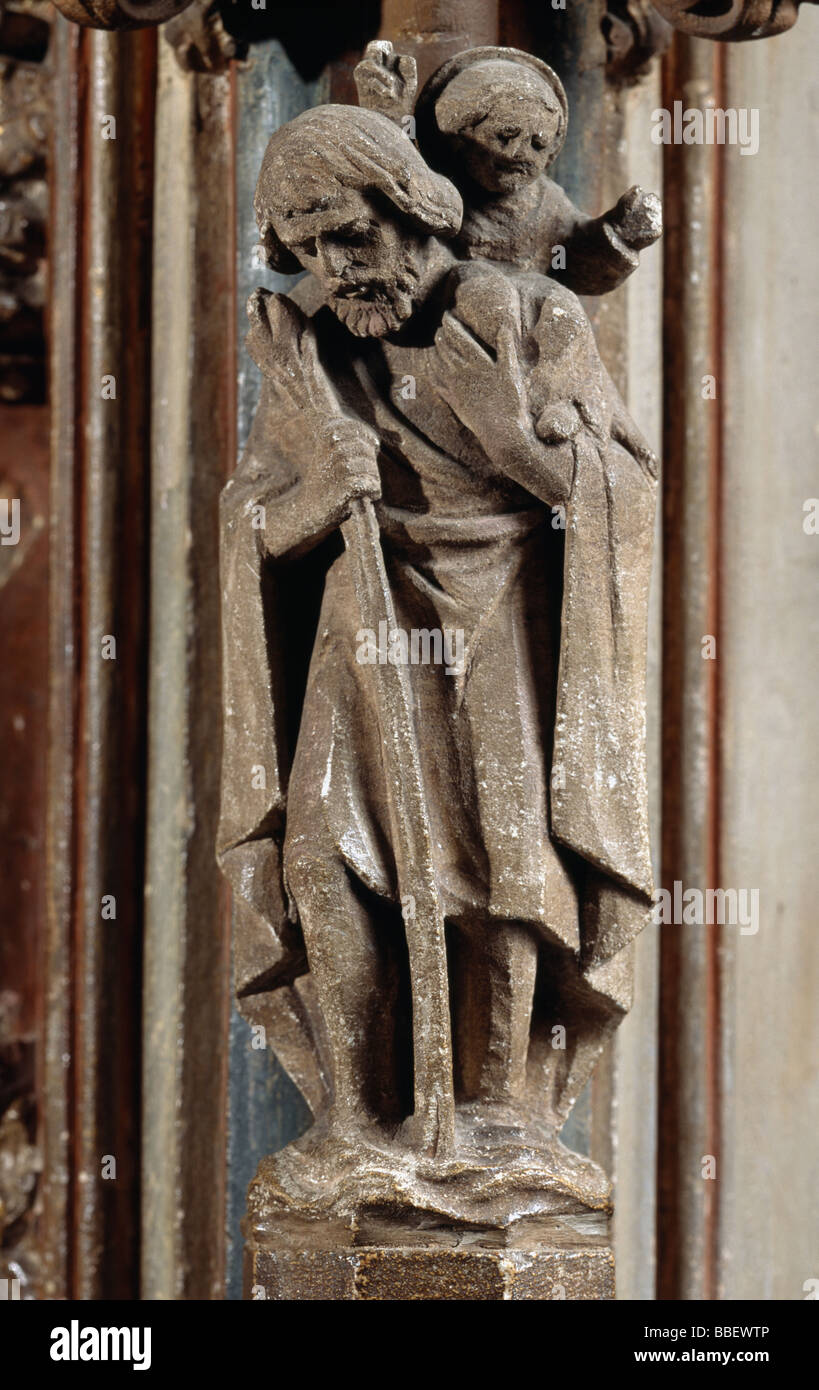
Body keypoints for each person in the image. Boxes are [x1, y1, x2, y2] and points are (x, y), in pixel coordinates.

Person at [219, 104, 657, 1222]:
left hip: (501, 616)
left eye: (353, 238)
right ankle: (357, 1120)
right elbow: (256, 527)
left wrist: (505, 432)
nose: (336, 269)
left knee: (505, 865)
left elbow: (619, 494)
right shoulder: (314, 351)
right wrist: (323, 480)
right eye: (311, 249)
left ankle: (504, 1117)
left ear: (413, 211)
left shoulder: (532, 317)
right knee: (322, 856)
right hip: (360, 631)